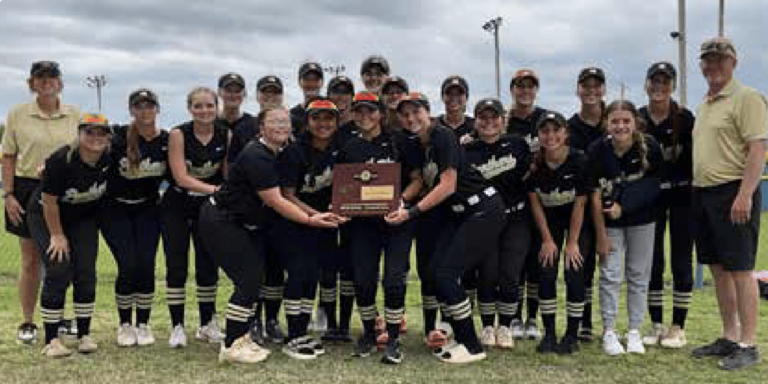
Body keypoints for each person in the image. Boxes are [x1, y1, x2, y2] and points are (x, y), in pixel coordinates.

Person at [199, 106, 339, 364]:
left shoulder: (277, 152)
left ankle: (240, 337)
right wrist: (310, 219)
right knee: (248, 280)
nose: (280, 126)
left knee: (253, 279)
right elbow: (276, 200)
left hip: (242, 222)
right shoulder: (257, 155)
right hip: (222, 220)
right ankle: (231, 344)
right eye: (274, 121)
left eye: (285, 122)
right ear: (261, 127)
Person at [389, 92, 506, 364]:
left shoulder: (442, 135)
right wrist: (400, 201)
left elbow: (448, 186)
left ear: (428, 112)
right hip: (463, 214)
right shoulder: (422, 145)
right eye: (405, 114)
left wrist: (410, 212)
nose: (411, 118)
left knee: (445, 274)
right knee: (435, 272)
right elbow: (422, 182)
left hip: (483, 209)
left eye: (416, 111)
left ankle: (472, 345)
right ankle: (462, 336)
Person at [689, 37, 767, 371]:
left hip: (733, 191)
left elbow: (758, 148)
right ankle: (729, 335)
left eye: (720, 59)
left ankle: (748, 343)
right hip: (704, 193)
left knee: (741, 270)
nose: (713, 65)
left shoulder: (747, 97)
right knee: (718, 269)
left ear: (734, 62)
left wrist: (745, 194)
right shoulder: (705, 104)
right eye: (708, 60)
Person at [339, 91, 423, 364]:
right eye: (359, 111)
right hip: (363, 224)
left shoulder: (400, 141)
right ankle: (368, 333)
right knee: (363, 280)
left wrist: (402, 201)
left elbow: (418, 179)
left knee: (393, 279)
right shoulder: (349, 147)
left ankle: (394, 339)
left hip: (396, 222)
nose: (365, 116)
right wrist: (341, 205)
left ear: (381, 114)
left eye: (371, 111)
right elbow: (344, 187)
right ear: (352, 114)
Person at [1, 60, 80, 344]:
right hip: (26, 187)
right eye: (41, 77)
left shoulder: (74, 114)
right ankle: (28, 321)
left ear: (60, 83)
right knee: (31, 259)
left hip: (64, 190)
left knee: (62, 256)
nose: (47, 82)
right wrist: (8, 195)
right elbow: (8, 156)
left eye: (52, 77)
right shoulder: (17, 114)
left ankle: (58, 317)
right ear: (32, 83)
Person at [27, 113, 112, 357]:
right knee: (58, 266)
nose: (95, 137)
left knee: (85, 270)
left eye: (101, 133)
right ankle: (52, 340)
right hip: (46, 214)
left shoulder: (110, 153)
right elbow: (49, 202)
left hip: (82, 217)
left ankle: (84, 334)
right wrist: (56, 235)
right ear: (79, 134)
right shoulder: (61, 160)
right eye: (89, 132)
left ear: (108, 137)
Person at [277, 99, 351, 359]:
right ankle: (293, 335)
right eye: (316, 118)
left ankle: (302, 330)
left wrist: (341, 208)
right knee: (298, 275)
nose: (323, 124)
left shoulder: (340, 149)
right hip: (297, 221)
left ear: (337, 122)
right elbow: (287, 194)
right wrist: (314, 215)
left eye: (328, 118)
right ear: (307, 122)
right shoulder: (294, 151)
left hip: (326, 222)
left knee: (313, 276)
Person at [588, 100, 662, 356]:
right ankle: (609, 330)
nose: (620, 126)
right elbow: (593, 194)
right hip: (609, 222)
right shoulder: (597, 149)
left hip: (643, 219)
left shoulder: (649, 146)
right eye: (615, 121)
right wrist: (600, 234)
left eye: (626, 121)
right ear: (606, 123)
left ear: (636, 123)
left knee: (638, 275)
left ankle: (634, 331)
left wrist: (625, 205)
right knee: (610, 274)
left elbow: (654, 184)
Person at [101, 89, 167, 347]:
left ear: (157, 109)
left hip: (148, 208)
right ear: (131, 110)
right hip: (115, 208)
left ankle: (143, 323)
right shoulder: (117, 135)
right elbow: (86, 144)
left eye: (149, 105)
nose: (144, 110)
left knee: (146, 265)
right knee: (128, 264)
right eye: (139, 106)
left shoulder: (166, 140)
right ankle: (125, 323)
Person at [162, 87, 228, 348]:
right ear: (189, 108)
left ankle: (207, 323)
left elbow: (226, 173)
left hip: (207, 207)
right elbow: (181, 177)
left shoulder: (225, 133)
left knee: (208, 266)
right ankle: (177, 326)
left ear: (216, 107)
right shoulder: (178, 134)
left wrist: (223, 192)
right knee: (176, 265)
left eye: (209, 105)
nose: (204, 110)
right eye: (198, 106)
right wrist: (216, 190)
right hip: (177, 204)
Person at [463, 98, 530, 350]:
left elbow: (531, 174)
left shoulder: (518, 144)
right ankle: (488, 326)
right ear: (476, 121)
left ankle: (506, 326)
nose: (489, 122)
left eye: (494, 117)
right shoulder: (467, 150)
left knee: (511, 273)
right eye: (483, 117)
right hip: (485, 220)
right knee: (488, 273)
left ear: (503, 120)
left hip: (516, 217)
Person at [638, 62, 695, 349]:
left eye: (665, 81)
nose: (659, 86)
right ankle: (657, 323)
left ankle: (678, 326)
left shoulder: (684, 118)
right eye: (655, 80)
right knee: (654, 261)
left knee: (682, 259)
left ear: (673, 85)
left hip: (683, 194)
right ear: (646, 84)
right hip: (652, 197)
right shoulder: (638, 118)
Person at [527, 111, 590, 354]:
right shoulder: (534, 163)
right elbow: (535, 203)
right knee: (546, 271)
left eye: (556, 130)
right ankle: (550, 333)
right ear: (538, 135)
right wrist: (546, 239)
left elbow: (580, 203)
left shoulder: (579, 160)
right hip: (549, 221)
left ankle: (572, 335)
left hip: (577, 221)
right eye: (545, 131)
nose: (550, 135)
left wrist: (572, 243)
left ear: (566, 133)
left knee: (575, 271)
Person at [567, 66, 607, 341]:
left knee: (614, 268)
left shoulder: (613, 120)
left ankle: (614, 325)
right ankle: (585, 320)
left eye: (596, 85)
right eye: (586, 85)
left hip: (611, 203)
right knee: (584, 263)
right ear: (578, 89)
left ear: (603, 89)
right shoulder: (570, 127)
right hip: (580, 201)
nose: (591, 90)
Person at [506, 68, 546, 340]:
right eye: (520, 86)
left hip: (543, 198)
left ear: (536, 90)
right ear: (512, 90)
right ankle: (515, 317)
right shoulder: (504, 121)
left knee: (537, 263)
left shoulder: (545, 118)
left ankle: (532, 317)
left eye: (530, 86)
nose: (525, 91)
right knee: (516, 262)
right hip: (514, 198)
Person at [229, 75, 284, 163]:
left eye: (275, 92)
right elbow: (233, 164)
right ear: (257, 96)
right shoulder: (242, 129)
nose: (270, 95)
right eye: (265, 92)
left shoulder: (295, 125)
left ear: (282, 96)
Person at [290, 61, 324, 133]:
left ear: (322, 83)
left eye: (315, 80)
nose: (311, 84)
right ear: (299, 82)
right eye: (307, 79)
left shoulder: (332, 110)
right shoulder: (292, 114)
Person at [439, 75, 475, 142]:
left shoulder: (476, 127)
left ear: (466, 97)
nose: (454, 97)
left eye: (459, 93)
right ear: (442, 97)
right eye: (449, 93)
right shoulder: (434, 126)